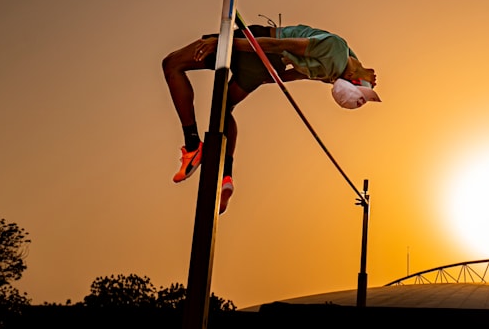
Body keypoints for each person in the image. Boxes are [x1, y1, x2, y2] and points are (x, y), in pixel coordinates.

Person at [161, 23, 379, 213]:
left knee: (172, 64)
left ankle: (192, 145)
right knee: (224, 109)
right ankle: (226, 177)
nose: (369, 79)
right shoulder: (331, 73)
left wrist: (224, 44)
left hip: (258, 46)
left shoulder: (335, 48)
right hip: (266, 67)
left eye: (361, 83)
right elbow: (290, 75)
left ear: (349, 77)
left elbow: (278, 46)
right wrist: (263, 77)